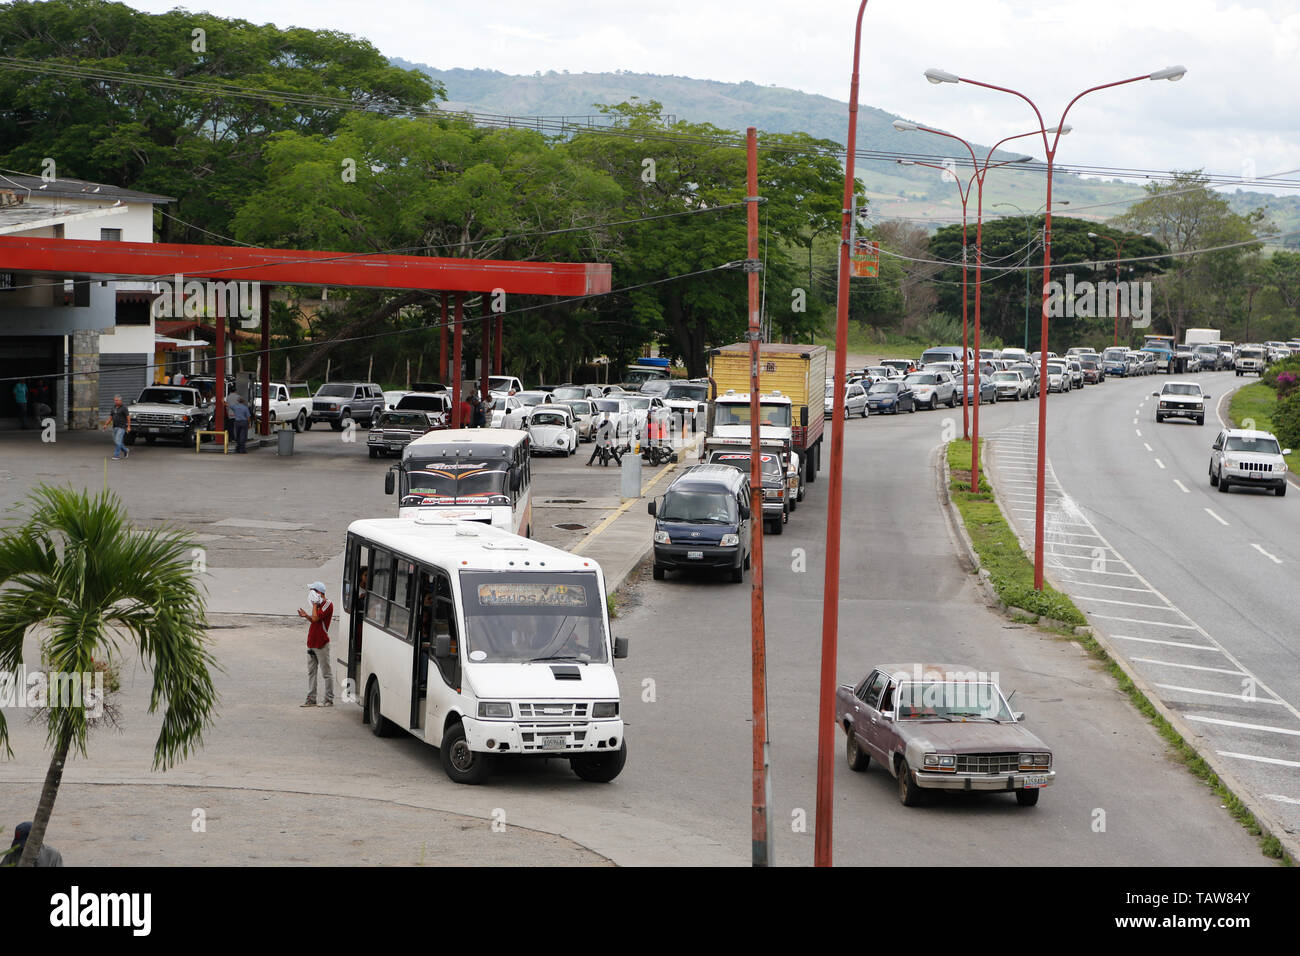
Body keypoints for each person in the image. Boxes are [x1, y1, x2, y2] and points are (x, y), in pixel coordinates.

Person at [296, 581, 334, 707]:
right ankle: (311, 699)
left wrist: (314, 604)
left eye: (312, 591)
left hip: (321, 643)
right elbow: (313, 619)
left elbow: (317, 618)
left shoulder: (328, 604)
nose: (310, 594)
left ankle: (329, 699)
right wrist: (306, 615)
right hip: (311, 642)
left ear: (318, 592)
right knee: (311, 672)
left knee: (326, 673)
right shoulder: (316, 605)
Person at [101, 394, 130, 460]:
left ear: (120, 400)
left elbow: (128, 417)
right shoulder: (113, 408)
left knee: (118, 441)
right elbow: (111, 417)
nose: (116, 401)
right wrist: (106, 424)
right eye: (115, 400)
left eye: (117, 400)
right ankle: (125, 450)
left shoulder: (124, 408)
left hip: (122, 427)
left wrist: (128, 426)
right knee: (117, 441)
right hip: (115, 427)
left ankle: (116, 455)